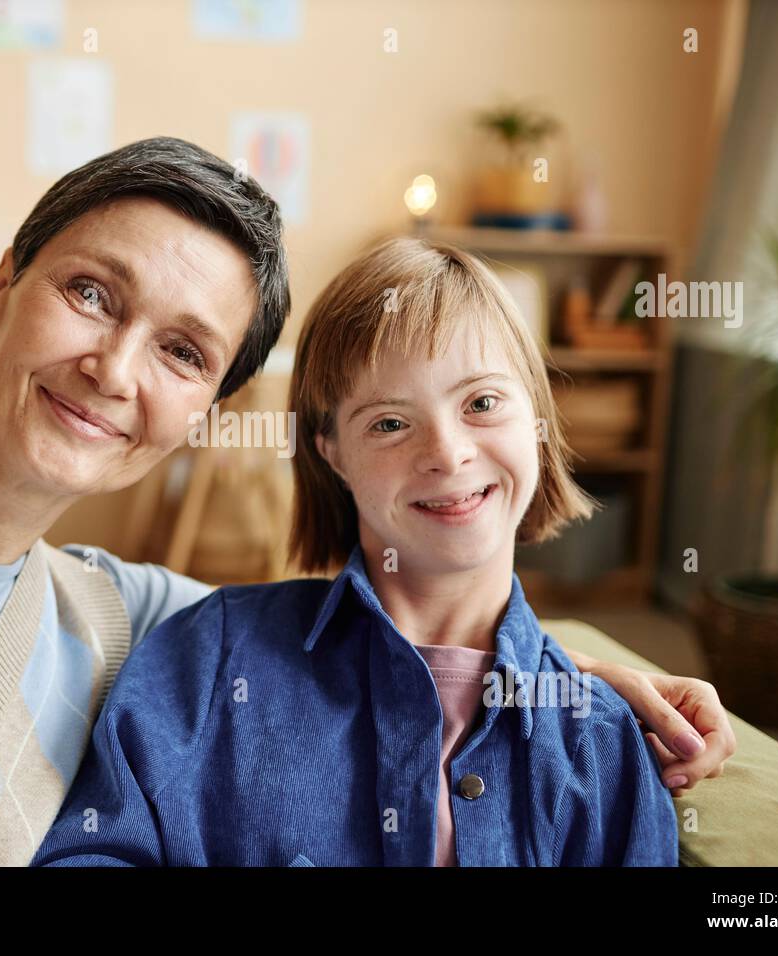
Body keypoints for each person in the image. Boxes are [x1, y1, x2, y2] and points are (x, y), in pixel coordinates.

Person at [0, 139, 729, 866]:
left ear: (207, 407)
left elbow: (373, 646)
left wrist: (568, 675)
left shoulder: (120, 621)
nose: (117, 368)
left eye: (183, 352)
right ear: (3, 286)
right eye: (91, 292)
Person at [33, 237, 690, 866]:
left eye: (482, 402)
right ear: (333, 455)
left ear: (538, 420)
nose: (447, 452)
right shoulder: (205, 659)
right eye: (390, 423)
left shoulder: (604, 738)